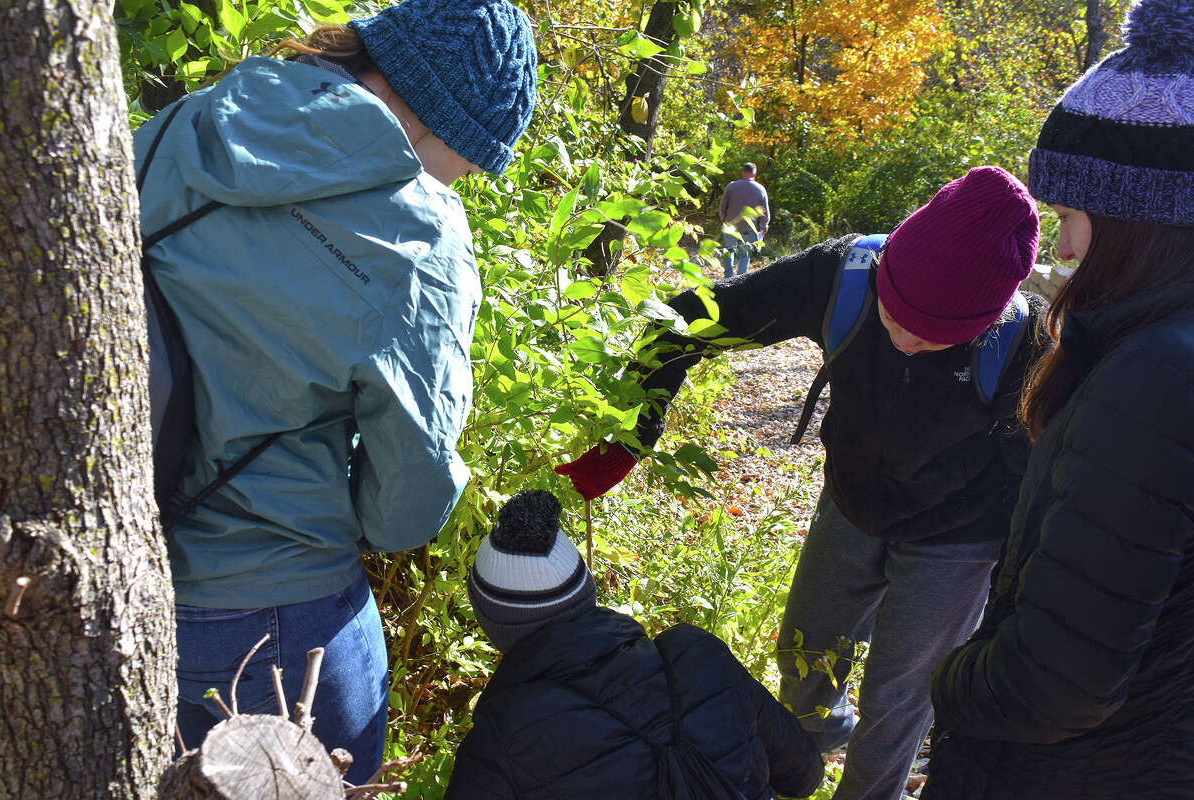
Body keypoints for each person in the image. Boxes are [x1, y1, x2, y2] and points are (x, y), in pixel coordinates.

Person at [133, 0, 536, 781]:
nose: (467, 182)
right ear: (438, 124)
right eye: (475, 159)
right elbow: (405, 509)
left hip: (94, 573)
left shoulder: (192, 119)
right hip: (273, 618)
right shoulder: (417, 234)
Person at [556, 165, 1050, 800]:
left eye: (931, 335)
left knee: (899, 696)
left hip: (957, 539)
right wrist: (624, 445)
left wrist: (1013, 599)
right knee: (805, 654)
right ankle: (810, 753)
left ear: (983, 320)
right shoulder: (841, 277)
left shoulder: (1023, 342)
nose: (902, 337)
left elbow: (1034, 485)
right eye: (894, 313)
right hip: (851, 505)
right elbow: (686, 321)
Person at [923, 2, 1194, 797]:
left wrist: (950, 679)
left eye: (1072, 217)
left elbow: (1058, 682)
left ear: (1148, 223)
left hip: (1072, 770)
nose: (1062, 247)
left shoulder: (1156, 382)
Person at [444, 490, 824, 799]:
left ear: (491, 624)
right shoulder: (699, 657)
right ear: (587, 591)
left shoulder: (501, 739)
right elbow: (804, 775)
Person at [719, 161, 770, 277]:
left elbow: (722, 207)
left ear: (743, 172)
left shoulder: (731, 186)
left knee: (728, 251)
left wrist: (724, 220)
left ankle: (728, 278)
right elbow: (764, 212)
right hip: (750, 229)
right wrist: (764, 227)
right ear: (755, 174)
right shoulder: (760, 189)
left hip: (730, 227)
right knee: (744, 256)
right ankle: (740, 281)